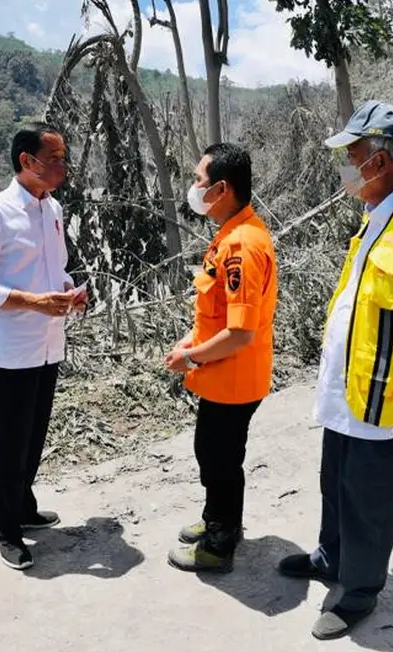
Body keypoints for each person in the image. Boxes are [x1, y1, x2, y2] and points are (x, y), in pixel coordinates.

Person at [278, 100, 393, 640]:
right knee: (336, 482)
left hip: (390, 397)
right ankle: (332, 558)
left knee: (369, 496)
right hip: (351, 392)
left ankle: (358, 591)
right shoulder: (376, 218)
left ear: (379, 163)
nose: (346, 168)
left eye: (352, 156)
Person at [0, 122, 87, 571]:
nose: (62, 167)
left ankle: (24, 506)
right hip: (14, 348)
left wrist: (69, 291)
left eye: (63, 158)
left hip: (50, 343)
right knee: (9, 442)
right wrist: (33, 301)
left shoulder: (52, 209)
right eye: (54, 159)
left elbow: (55, 269)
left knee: (34, 435)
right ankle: (5, 529)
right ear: (26, 162)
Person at [164, 143, 278, 573]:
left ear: (222, 189)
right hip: (222, 376)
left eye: (199, 181)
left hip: (234, 379)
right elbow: (216, 314)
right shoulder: (231, 234)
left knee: (219, 459)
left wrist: (191, 357)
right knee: (213, 454)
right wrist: (188, 340)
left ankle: (219, 542)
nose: (194, 189)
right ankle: (218, 520)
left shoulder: (242, 247)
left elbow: (240, 332)